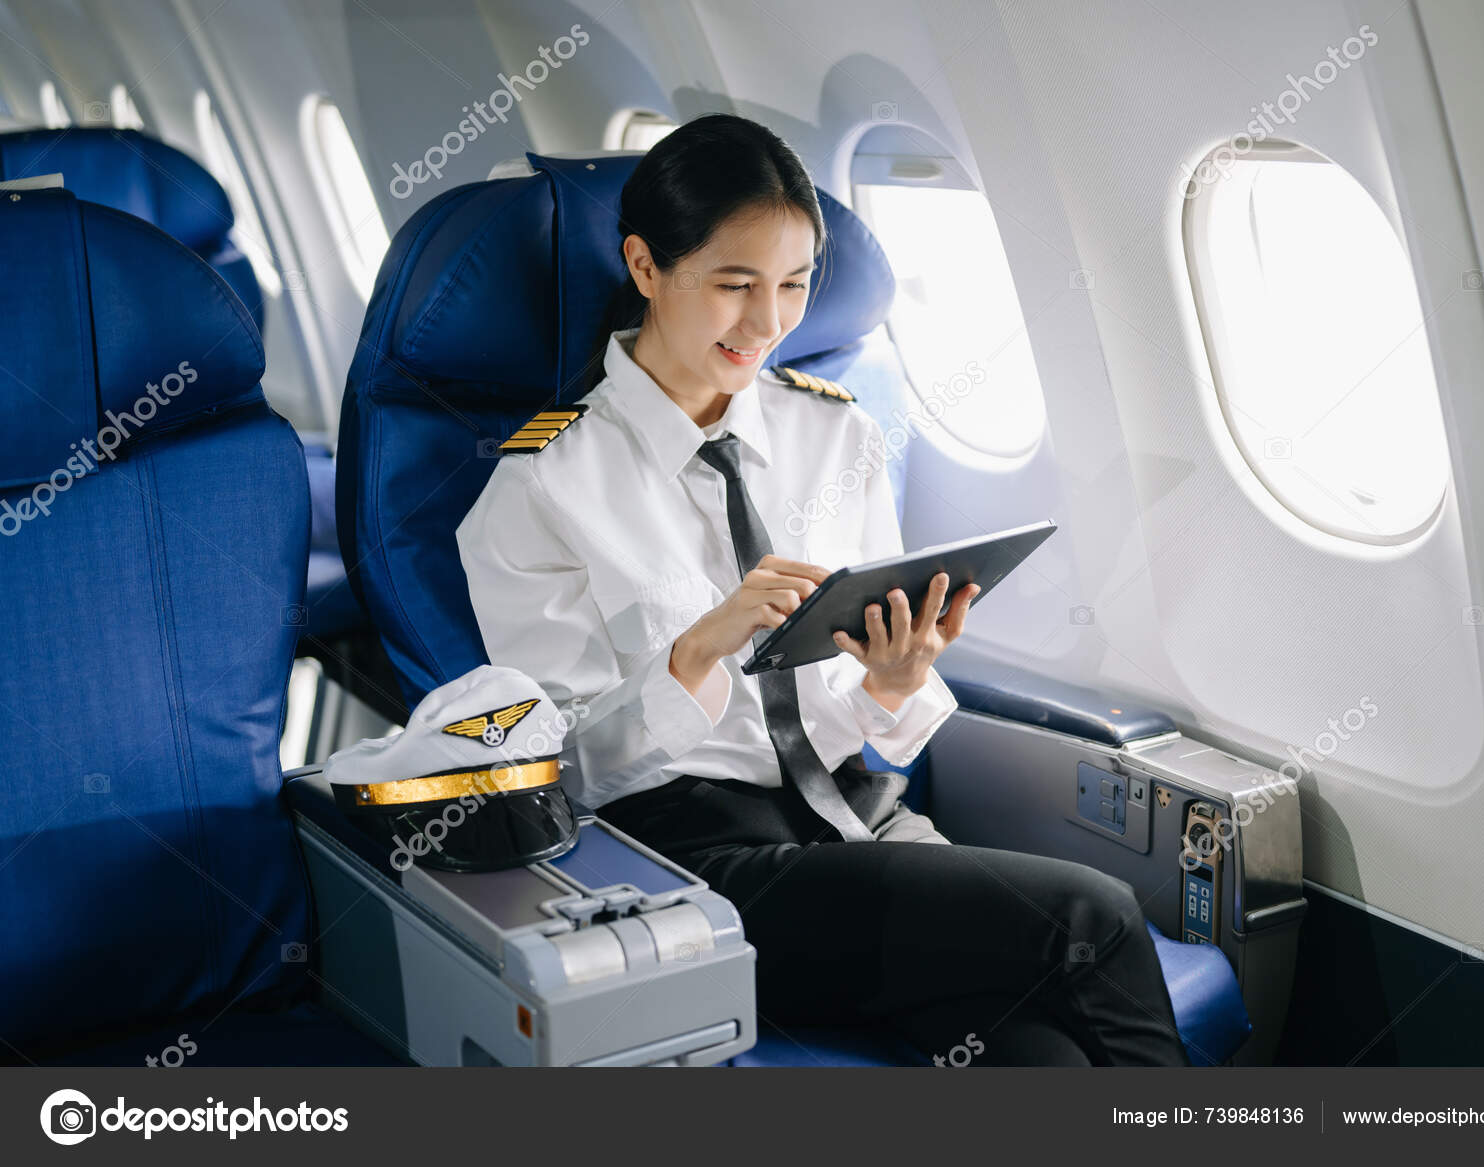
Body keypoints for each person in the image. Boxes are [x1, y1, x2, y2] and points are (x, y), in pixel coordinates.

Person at [456, 112, 1189, 1066]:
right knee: (1098, 913)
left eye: (795, 286)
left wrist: (893, 678)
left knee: (1041, 1058)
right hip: (702, 869)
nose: (768, 323)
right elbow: (559, 780)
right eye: (734, 285)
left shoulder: (834, 435)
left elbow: (869, 723)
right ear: (644, 266)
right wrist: (696, 652)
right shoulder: (542, 486)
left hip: (863, 826)